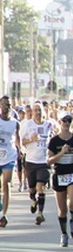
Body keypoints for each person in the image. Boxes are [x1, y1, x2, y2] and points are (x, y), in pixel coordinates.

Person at [46, 114, 73, 248]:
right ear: (59, 122)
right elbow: (49, 161)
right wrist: (61, 153)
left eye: (69, 120)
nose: (67, 123)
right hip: (59, 174)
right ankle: (64, 234)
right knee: (62, 210)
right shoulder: (54, 140)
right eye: (64, 120)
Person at [19, 102, 52, 225]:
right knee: (32, 189)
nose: (38, 112)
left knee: (40, 187)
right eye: (36, 110)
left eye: (40, 110)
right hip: (31, 161)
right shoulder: (27, 125)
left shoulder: (49, 125)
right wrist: (31, 139)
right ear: (32, 112)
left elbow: (52, 140)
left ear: (43, 111)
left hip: (43, 162)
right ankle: (33, 200)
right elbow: (22, 142)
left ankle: (40, 214)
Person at [0, 95, 18, 228]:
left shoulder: (15, 123)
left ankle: (4, 214)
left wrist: (21, 150)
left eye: (9, 104)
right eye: (5, 104)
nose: (7, 107)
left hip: (9, 156)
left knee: (6, 183)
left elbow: (18, 139)